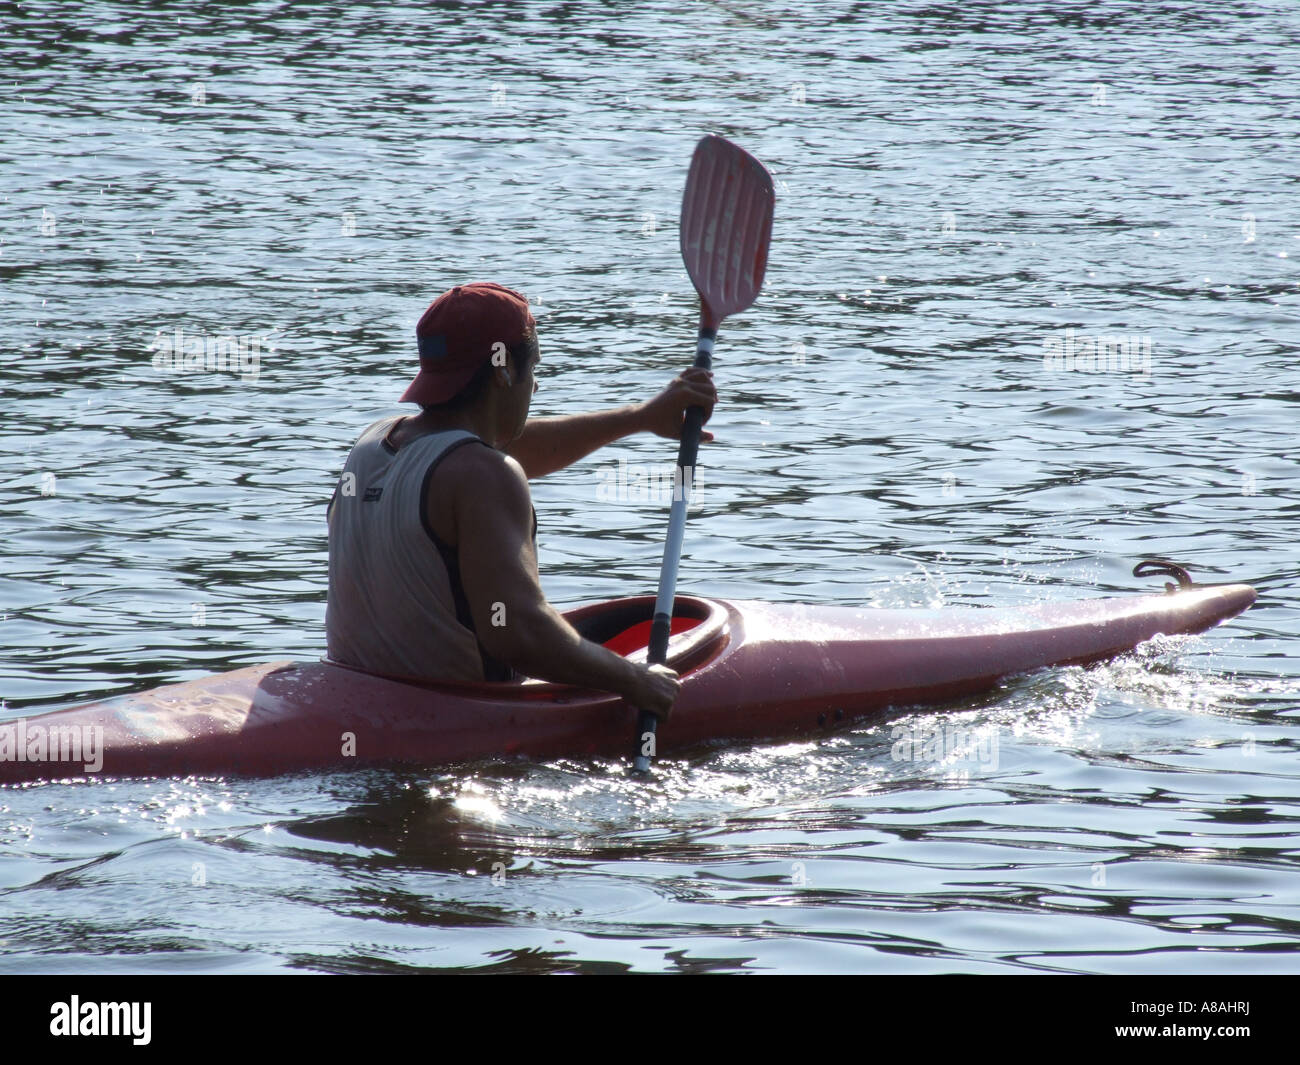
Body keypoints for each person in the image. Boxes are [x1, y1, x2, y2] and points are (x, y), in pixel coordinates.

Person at [326, 282, 717, 725]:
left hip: (353, 705)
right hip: (451, 726)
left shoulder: (374, 444)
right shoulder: (481, 473)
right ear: (503, 371)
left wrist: (641, 417)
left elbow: (499, 450)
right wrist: (636, 681)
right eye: (534, 370)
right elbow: (516, 633)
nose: (534, 387)